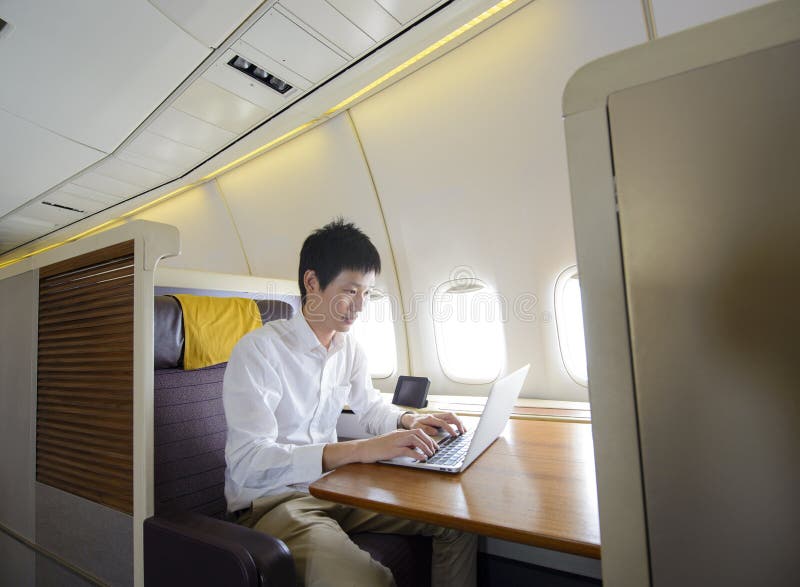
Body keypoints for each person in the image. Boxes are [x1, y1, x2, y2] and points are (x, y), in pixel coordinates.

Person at [223, 219, 477, 587]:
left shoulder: (349, 348)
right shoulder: (259, 351)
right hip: (274, 502)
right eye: (350, 291)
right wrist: (361, 450)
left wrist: (409, 421)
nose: (359, 307)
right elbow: (249, 462)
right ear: (312, 283)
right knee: (367, 579)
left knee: (456, 522)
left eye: (368, 294)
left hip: (336, 486)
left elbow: (370, 405)